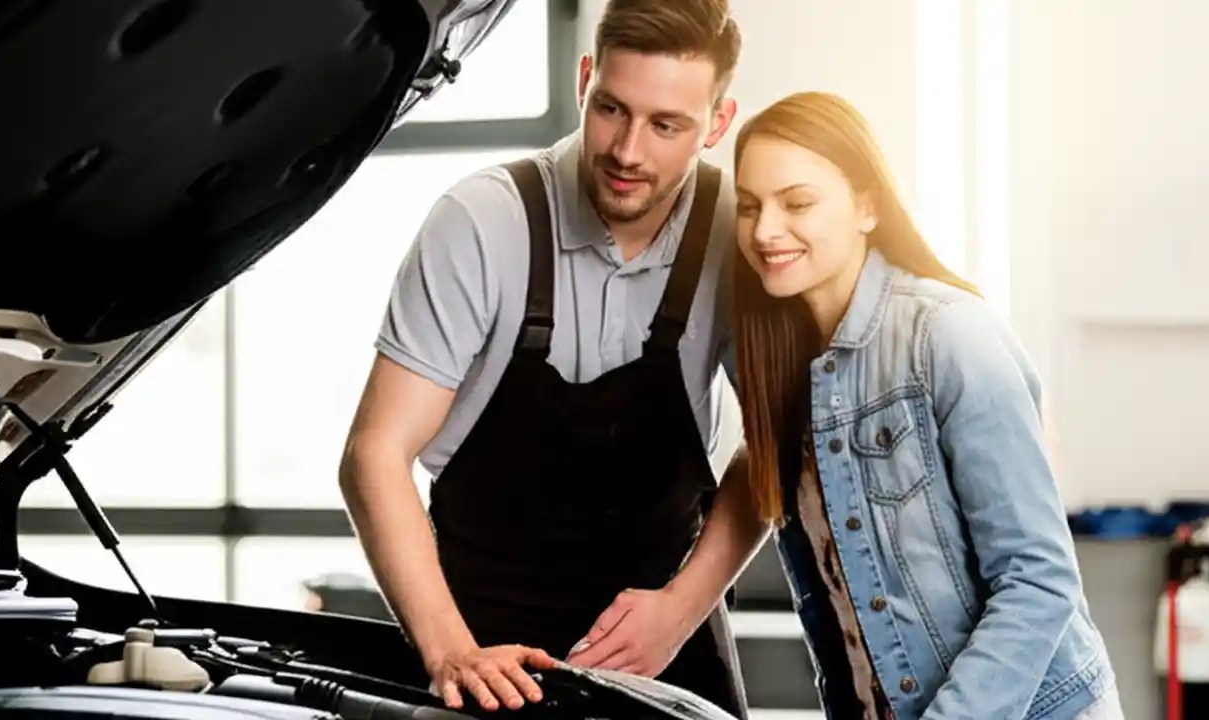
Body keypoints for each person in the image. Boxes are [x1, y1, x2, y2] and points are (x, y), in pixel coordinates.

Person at [571, 91, 1123, 719]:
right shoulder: (785, 365)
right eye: (750, 207)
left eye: (798, 202)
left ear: (866, 204)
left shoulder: (949, 336)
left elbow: (1039, 583)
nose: (766, 230)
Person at [337, 0, 751, 716]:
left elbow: (779, 447)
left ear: (716, 123)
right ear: (586, 78)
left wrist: (683, 608)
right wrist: (449, 651)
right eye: (612, 109)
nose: (627, 151)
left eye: (666, 125)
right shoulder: (480, 223)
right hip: (487, 650)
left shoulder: (741, 231)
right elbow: (373, 454)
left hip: (664, 643)